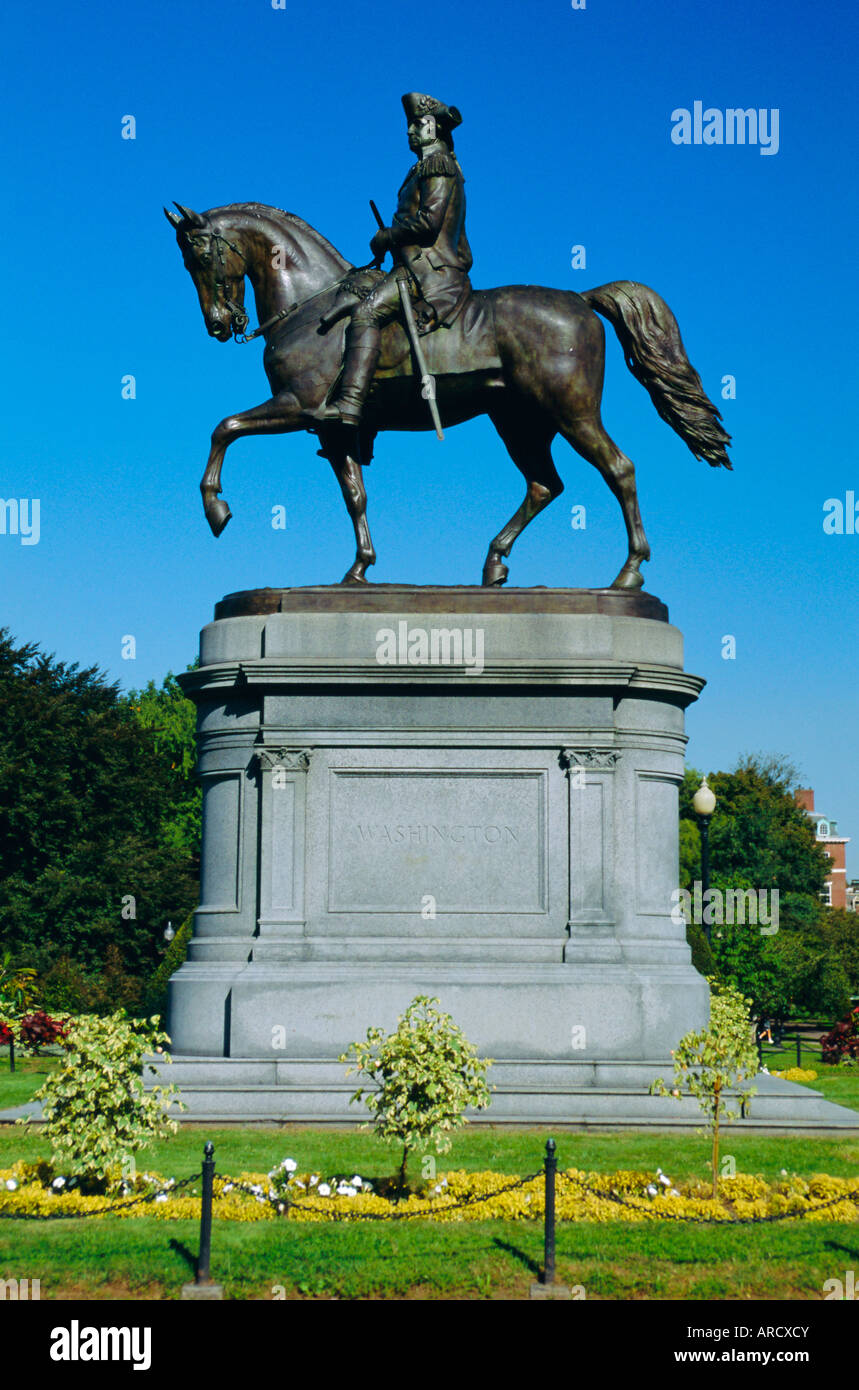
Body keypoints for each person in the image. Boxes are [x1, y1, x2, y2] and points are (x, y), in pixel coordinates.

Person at [317, 91, 473, 430]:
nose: (410, 132)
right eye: (410, 125)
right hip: (416, 266)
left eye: (418, 125)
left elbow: (429, 222)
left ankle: (350, 403)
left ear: (434, 129)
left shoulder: (437, 164)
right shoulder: (427, 167)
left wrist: (387, 236)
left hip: (428, 272)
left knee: (366, 312)